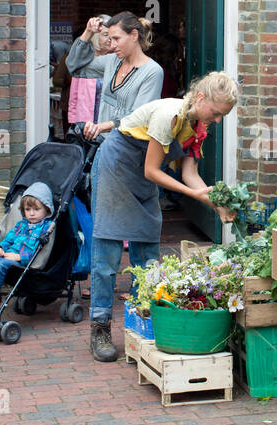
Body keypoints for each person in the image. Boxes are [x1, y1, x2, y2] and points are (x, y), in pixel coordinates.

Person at [88, 72, 239, 362]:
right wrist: (193, 195)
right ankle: (100, 327)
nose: (217, 120)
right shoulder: (169, 115)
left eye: (222, 116)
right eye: (216, 113)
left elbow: (189, 174)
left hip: (144, 176)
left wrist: (216, 207)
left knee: (147, 258)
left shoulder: (196, 128)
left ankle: (140, 324)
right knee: (107, 256)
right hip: (117, 168)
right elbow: (152, 171)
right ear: (200, 98)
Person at [66, 11, 163, 141]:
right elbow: (75, 67)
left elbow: (139, 116)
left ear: (134, 35)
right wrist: (88, 33)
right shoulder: (112, 61)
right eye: (110, 39)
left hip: (130, 149)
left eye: (116, 39)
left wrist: (101, 127)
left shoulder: (152, 71)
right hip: (103, 143)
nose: (112, 45)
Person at [0, 182, 55, 313]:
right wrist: (0, 247)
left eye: (36, 209)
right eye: (28, 209)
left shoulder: (46, 229)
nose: (32, 213)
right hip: (5, 255)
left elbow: (41, 253)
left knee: (0, 264)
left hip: (21, 260)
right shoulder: (20, 225)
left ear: (46, 210)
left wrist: (19, 256)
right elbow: (8, 239)